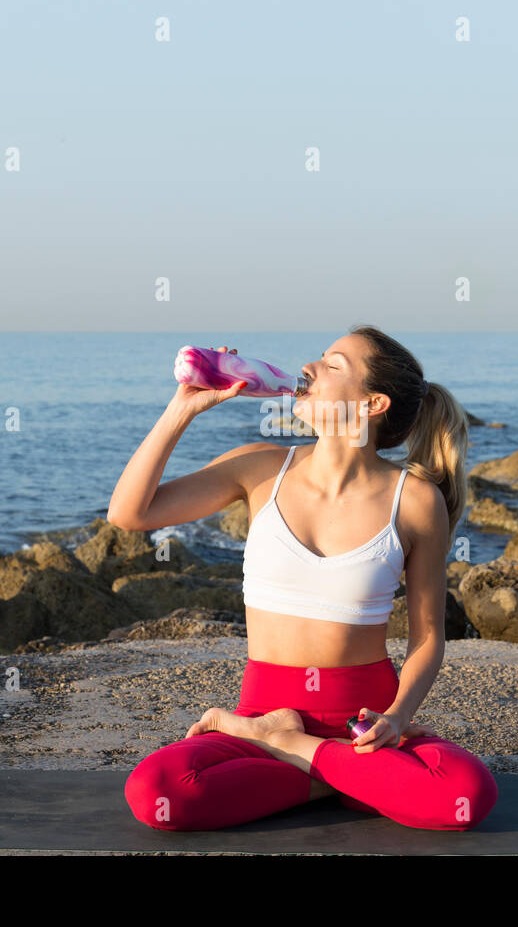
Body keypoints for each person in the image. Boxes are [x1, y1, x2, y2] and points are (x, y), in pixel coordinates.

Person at [109, 324, 498, 831]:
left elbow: (427, 638)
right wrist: (182, 408)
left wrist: (398, 718)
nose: (309, 368)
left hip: (362, 723)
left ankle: (292, 750)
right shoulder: (257, 468)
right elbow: (129, 513)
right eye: (318, 357)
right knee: (155, 791)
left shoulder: (415, 500)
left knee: (466, 794)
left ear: (372, 403)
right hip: (258, 715)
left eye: (334, 364)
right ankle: (348, 780)